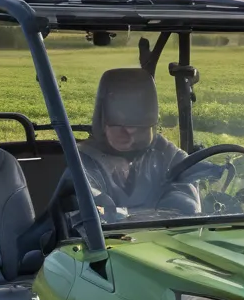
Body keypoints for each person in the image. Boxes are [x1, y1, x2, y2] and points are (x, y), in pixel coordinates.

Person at [79, 68, 200, 220]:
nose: (130, 132)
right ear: (102, 122)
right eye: (120, 124)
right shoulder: (81, 163)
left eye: (140, 126)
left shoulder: (171, 157)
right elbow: (88, 213)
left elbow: (187, 208)